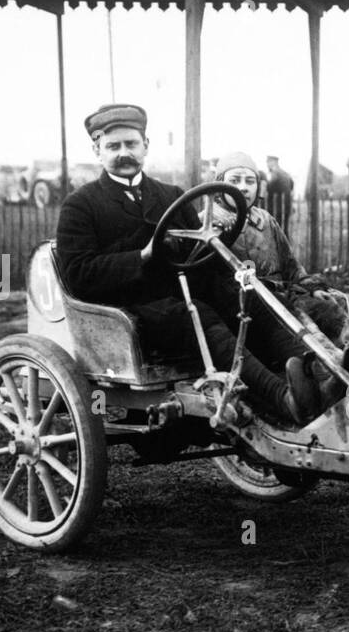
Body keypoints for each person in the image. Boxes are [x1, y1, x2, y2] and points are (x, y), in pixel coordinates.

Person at [55, 103, 321, 425]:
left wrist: (233, 279)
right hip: (128, 310)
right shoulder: (81, 205)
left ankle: (317, 373)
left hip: (181, 291)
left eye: (131, 144)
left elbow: (198, 256)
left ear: (146, 147)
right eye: (113, 146)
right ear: (98, 150)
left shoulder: (170, 195)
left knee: (248, 296)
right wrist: (141, 256)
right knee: (198, 313)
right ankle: (283, 398)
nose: (124, 153)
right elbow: (79, 275)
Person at [211, 150, 349, 348]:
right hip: (246, 310)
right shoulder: (206, 225)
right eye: (235, 180)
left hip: (286, 297)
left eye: (250, 181)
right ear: (219, 184)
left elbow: (292, 266)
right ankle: (329, 364)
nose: (243, 188)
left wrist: (312, 288)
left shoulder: (266, 221)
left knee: (332, 310)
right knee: (304, 326)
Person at [266, 155, 294, 230]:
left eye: (268, 162)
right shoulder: (285, 172)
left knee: (278, 226)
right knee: (284, 226)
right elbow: (292, 183)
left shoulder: (275, 172)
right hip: (287, 202)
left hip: (279, 203)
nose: (267, 165)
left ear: (274, 162)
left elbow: (270, 186)